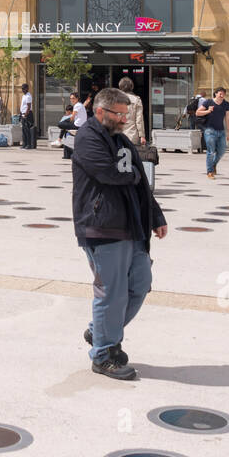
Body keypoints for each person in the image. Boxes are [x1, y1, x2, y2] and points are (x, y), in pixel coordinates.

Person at [72, 87, 168, 380]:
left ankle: (100, 331)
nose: (125, 119)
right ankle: (103, 354)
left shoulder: (122, 140)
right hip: (103, 226)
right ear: (100, 111)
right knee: (110, 293)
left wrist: (156, 216)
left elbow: (140, 184)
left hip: (132, 226)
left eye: (126, 114)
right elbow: (108, 173)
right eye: (119, 114)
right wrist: (133, 174)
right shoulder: (88, 137)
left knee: (140, 284)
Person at [197, 87, 229, 179]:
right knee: (211, 151)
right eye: (220, 93)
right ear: (215, 94)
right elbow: (197, 113)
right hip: (209, 131)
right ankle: (209, 172)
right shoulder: (208, 102)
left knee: (222, 151)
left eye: (223, 94)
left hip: (221, 131)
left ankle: (213, 164)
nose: (222, 95)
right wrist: (208, 111)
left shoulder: (226, 104)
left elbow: (227, 118)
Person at [117, 77, 145, 146]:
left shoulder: (116, 100)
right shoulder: (136, 100)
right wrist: (142, 136)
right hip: (132, 134)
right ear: (131, 87)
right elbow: (139, 120)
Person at [60, 91, 88, 158]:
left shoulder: (77, 105)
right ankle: (67, 154)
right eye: (71, 98)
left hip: (78, 126)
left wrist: (66, 120)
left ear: (77, 98)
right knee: (66, 132)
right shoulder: (79, 105)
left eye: (73, 98)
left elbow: (72, 117)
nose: (72, 100)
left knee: (62, 126)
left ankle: (59, 140)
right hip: (80, 125)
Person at [19, 82, 36, 149]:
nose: (23, 90)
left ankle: (29, 144)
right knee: (24, 130)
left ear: (27, 89)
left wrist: (25, 115)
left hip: (28, 115)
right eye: (22, 89)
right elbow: (22, 106)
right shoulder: (24, 96)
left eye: (24, 89)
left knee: (28, 130)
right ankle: (24, 143)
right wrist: (21, 114)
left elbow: (28, 107)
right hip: (23, 114)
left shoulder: (28, 96)